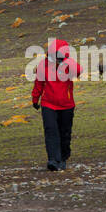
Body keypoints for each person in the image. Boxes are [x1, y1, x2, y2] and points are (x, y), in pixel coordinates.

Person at [31, 38, 79, 170]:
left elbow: (79, 71)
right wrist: (35, 99)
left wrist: (66, 61)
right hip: (48, 105)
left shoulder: (69, 65)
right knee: (51, 131)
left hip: (67, 105)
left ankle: (63, 157)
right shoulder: (43, 65)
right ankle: (53, 159)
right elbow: (38, 84)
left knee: (65, 132)